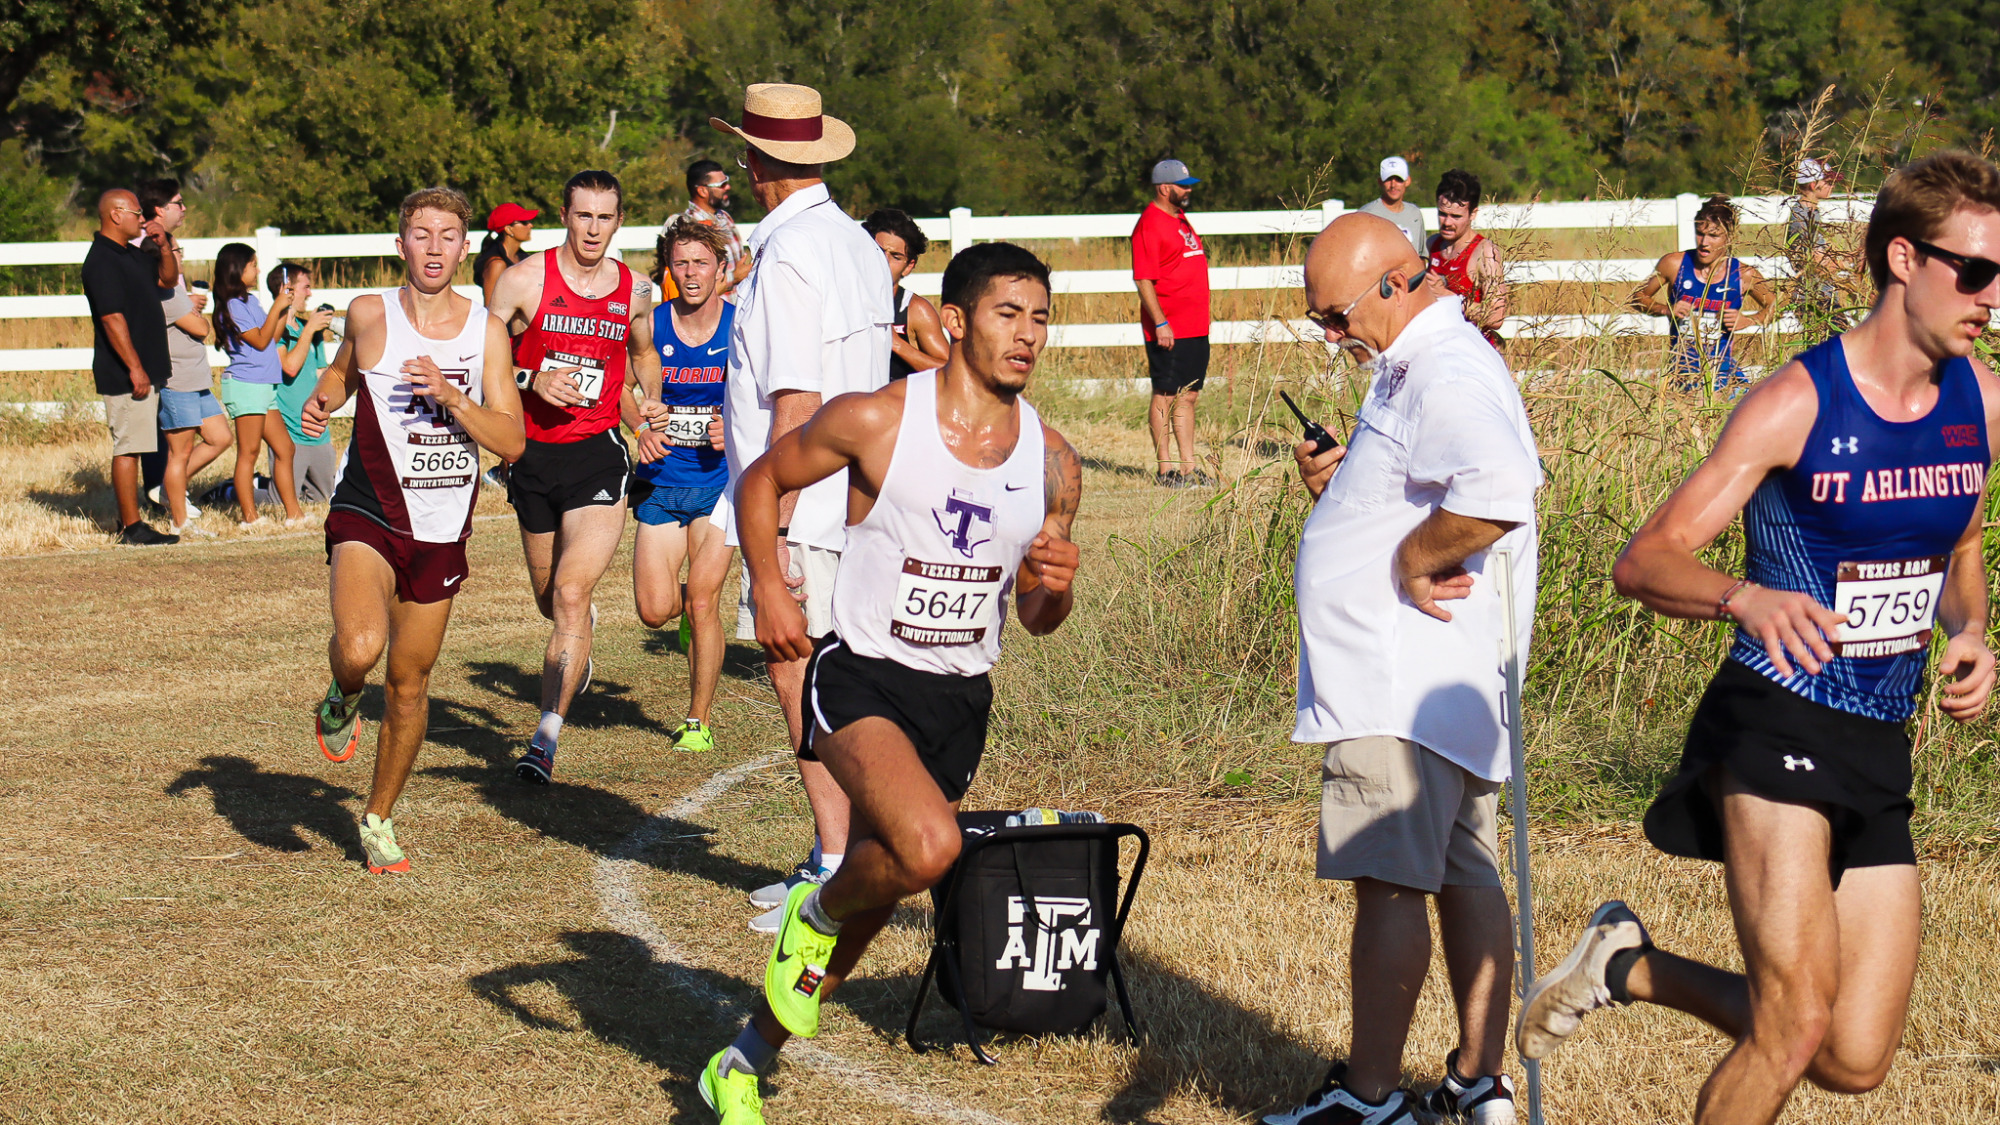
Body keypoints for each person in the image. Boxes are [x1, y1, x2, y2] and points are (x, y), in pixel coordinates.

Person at [1519, 151, 2000, 1125]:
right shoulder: (1796, 403)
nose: (1991, 297)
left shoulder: (1981, 402)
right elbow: (1645, 560)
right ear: (1903, 259)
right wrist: (1745, 599)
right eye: (1977, 271)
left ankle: (1627, 965)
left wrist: (1973, 631)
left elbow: (1959, 548)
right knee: (1791, 1026)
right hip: (1775, 715)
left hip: (1876, 737)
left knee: (1852, 1056)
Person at [694, 242, 1082, 1125]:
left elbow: (1035, 617)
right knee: (929, 847)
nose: (1028, 334)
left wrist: (1055, 587)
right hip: (863, 677)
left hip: (961, 699)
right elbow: (763, 479)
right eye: (1008, 313)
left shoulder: (1053, 461)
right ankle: (813, 905)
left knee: (880, 892)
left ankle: (740, 1063)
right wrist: (766, 583)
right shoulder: (877, 418)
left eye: (1041, 318)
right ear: (956, 320)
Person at [1266, 211, 1541, 1125]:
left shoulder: (1445, 367)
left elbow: (1499, 489)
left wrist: (1416, 559)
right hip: (1432, 683)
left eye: (1335, 315)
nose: (1330, 335)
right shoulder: (1416, 361)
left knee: (1390, 878)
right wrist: (1342, 487)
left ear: (1394, 282)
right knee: (1464, 871)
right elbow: (1425, 484)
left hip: (1400, 679)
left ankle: (1370, 1096)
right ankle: (1478, 1081)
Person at [706, 82, 893, 933]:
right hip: (854, 500)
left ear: (754, 163)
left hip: (802, 506)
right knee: (840, 680)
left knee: (802, 680)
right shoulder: (855, 242)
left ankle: (835, 866)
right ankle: (843, 852)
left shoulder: (784, 253)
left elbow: (795, 401)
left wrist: (771, 530)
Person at [301, 185, 525, 874]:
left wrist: (453, 397)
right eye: (421, 235)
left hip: (441, 526)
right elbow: (343, 373)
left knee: (408, 682)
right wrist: (322, 399)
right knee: (362, 646)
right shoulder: (370, 313)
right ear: (400, 244)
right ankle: (343, 692)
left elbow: (511, 441)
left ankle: (378, 818)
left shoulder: (485, 331)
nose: (434, 248)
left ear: (464, 246)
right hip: (369, 508)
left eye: (447, 236)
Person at [488, 169, 659, 784]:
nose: (593, 229)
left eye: (604, 217)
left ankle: (545, 739)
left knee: (568, 593)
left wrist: (650, 403)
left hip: (598, 453)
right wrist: (532, 379)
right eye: (583, 215)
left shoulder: (636, 289)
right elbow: (483, 357)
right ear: (565, 215)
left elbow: (642, 352)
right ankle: (578, 634)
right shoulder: (522, 280)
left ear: (619, 221)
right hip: (532, 456)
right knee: (549, 598)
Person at [630, 219, 736, 753]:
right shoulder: (652, 325)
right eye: (681, 263)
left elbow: (769, 396)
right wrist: (640, 427)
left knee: (702, 599)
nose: (691, 273)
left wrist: (732, 430)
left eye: (701, 262)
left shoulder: (741, 326)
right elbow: (621, 384)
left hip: (720, 484)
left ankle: (698, 720)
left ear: (721, 268)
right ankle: (689, 617)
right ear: (668, 270)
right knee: (654, 610)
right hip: (662, 481)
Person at [81, 188, 178, 546]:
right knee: (128, 447)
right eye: (137, 213)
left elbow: (167, 279)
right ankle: (131, 527)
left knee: (136, 444)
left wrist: (164, 246)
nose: (143, 219)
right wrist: (135, 368)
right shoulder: (101, 261)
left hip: (147, 368)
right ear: (116, 214)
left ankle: (133, 522)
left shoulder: (132, 254)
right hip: (125, 372)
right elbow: (112, 318)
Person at [139, 178, 231, 535]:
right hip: (178, 382)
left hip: (196, 380)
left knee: (220, 437)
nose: (180, 256)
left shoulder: (174, 293)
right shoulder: (166, 294)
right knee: (179, 452)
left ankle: (169, 488)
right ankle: (180, 521)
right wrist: (195, 315)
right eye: (177, 252)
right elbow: (201, 328)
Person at [1629, 195, 1777, 393]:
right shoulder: (1674, 264)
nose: (1704, 242)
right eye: (1700, 234)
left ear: (1729, 238)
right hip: (1682, 371)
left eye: (1713, 236)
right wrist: (1667, 309)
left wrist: (1748, 320)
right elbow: (1638, 296)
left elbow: (1777, 306)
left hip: (1722, 373)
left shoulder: (1744, 274)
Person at [212, 242, 306, 527]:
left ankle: (294, 514)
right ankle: (250, 518)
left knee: (285, 449)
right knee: (249, 452)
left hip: (265, 385)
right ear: (237, 269)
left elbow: (272, 336)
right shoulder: (232, 306)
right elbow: (260, 341)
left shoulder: (250, 302)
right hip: (246, 385)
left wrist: (283, 309)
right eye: (253, 265)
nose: (258, 270)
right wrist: (277, 305)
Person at [1132, 157, 1212, 487]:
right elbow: (1143, 279)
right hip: (1170, 328)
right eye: (1183, 186)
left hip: (1195, 326)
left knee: (1188, 395)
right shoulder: (1150, 225)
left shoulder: (1179, 219)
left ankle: (1188, 468)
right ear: (1164, 188)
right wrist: (1160, 322)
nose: (1188, 191)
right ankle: (1166, 469)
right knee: (1166, 394)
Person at [269, 263, 341, 502]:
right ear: (286, 288)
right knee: (280, 502)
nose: (310, 293)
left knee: (325, 499)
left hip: (317, 432)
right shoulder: (274, 329)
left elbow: (322, 375)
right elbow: (289, 367)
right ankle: (232, 490)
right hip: (289, 432)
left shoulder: (311, 331)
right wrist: (309, 329)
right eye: (306, 287)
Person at [862, 208, 948, 380]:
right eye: (878, 251)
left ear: (908, 266)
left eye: (896, 256)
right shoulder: (839, 299)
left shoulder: (915, 310)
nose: (884, 261)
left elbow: (950, 370)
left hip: (901, 396)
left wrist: (897, 344)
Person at [1426, 169, 1507, 350]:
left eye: (1456, 216)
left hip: (1474, 351)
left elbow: (1496, 317)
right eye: (1442, 214)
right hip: (1439, 348)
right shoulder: (1432, 245)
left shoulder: (1485, 252)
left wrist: (1449, 297)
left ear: (1473, 214)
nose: (1447, 223)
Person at [1788, 157, 1852, 339]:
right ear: (1813, 185)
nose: (1833, 186)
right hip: (1814, 297)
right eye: (1828, 182)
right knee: (1839, 343)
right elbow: (1817, 262)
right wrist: (1848, 264)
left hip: (1820, 294)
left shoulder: (1811, 212)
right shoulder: (1802, 217)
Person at [670, 160, 750, 296]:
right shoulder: (684, 224)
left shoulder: (725, 217)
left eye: (726, 182)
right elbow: (689, 286)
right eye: (722, 185)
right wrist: (734, 278)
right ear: (702, 191)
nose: (728, 187)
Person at [1358, 156, 1426, 254]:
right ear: (1380, 182)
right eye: (1388, 179)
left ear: (1407, 181)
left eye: (1398, 179)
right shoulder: (1366, 215)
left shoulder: (1414, 214)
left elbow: (1422, 254)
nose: (1393, 185)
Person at [475, 203, 537, 305]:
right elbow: (490, 308)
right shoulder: (497, 264)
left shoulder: (523, 258)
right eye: (524, 222)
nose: (530, 225)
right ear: (508, 229)